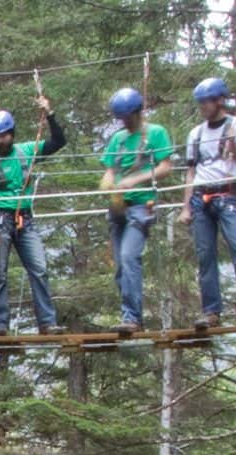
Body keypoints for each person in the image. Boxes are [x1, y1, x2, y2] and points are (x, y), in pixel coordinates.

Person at [159, 76, 236, 327]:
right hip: (200, 197)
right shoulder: (196, 134)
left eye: (206, 102)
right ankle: (211, 311)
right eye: (200, 104)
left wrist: (234, 149)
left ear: (219, 101)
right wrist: (186, 206)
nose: (202, 108)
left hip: (228, 193)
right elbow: (191, 172)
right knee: (205, 255)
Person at [0, 95, 69, 335]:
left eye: (3, 135)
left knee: (39, 268)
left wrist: (50, 115)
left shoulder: (27, 151)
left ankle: (47, 322)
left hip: (25, 219)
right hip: (0, 219)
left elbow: (58, 142)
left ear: (11, 133)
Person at [97, 87, 170, 332]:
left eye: (127, 117)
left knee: (129, 258)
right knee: (120, 265)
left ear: (138, 112)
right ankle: (129, 313)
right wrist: (108, 181)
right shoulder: (118, 139)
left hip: (141, 206)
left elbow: (165, 167)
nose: (124, 123)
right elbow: (111, 168)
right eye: (121, 119)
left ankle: (132, 318)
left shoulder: (155, 134)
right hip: (118, 207)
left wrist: (135, 179)